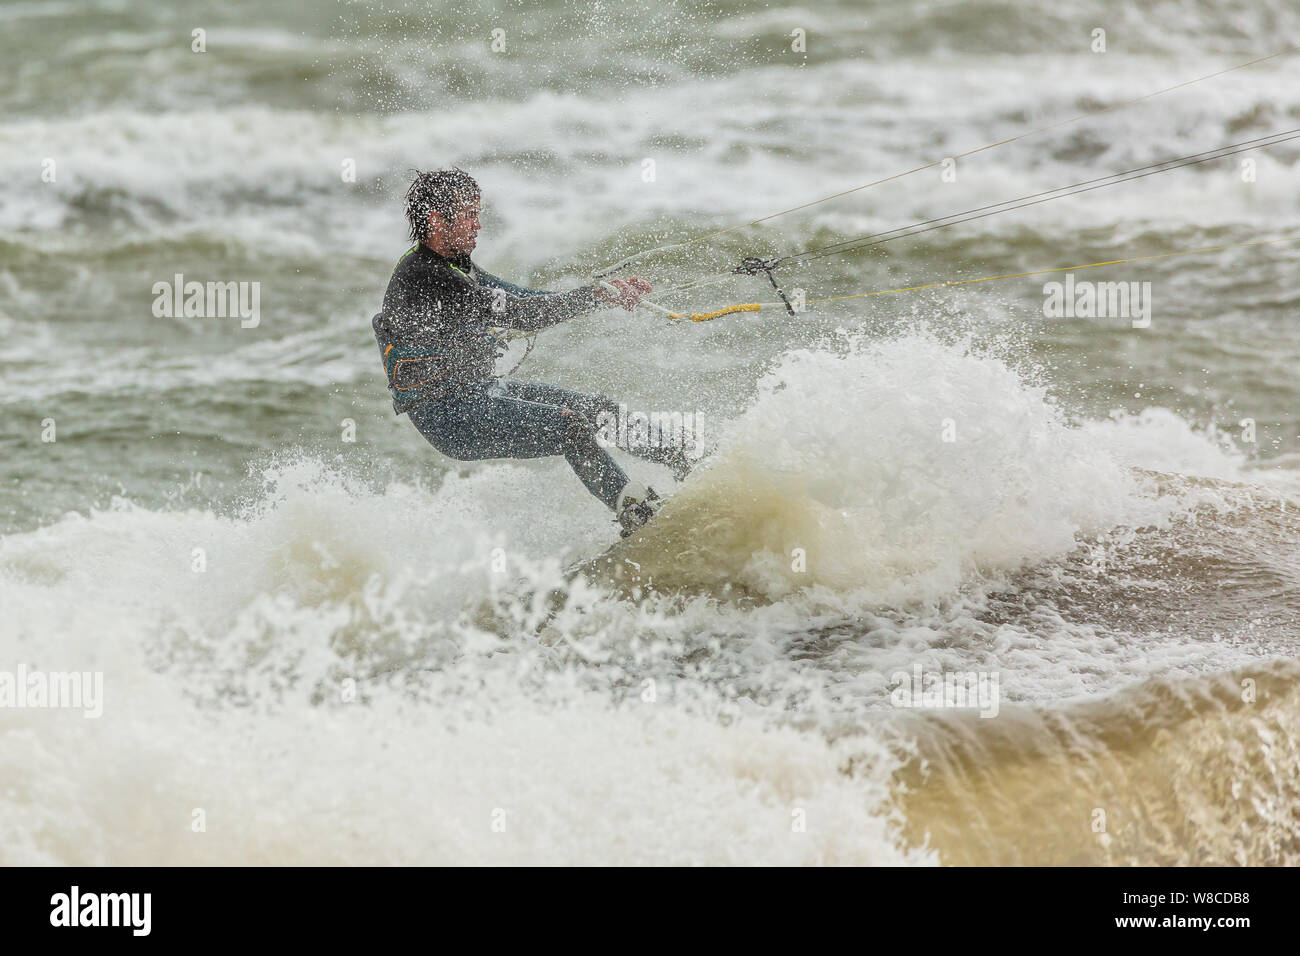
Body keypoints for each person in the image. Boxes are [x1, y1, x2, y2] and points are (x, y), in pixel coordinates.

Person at [372, 168, 687, 535]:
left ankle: (687, 460)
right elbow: (525, 314)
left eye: (479, 213)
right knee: (570, 426)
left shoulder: (458, 266)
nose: (478, 225)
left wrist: (601, 291)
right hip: (451, 417)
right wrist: (595, 297)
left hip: (481, 393)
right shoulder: (426, 276)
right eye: (469, 215)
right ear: (436, 220)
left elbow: (524, 300)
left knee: (599, 410)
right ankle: (636, 513)